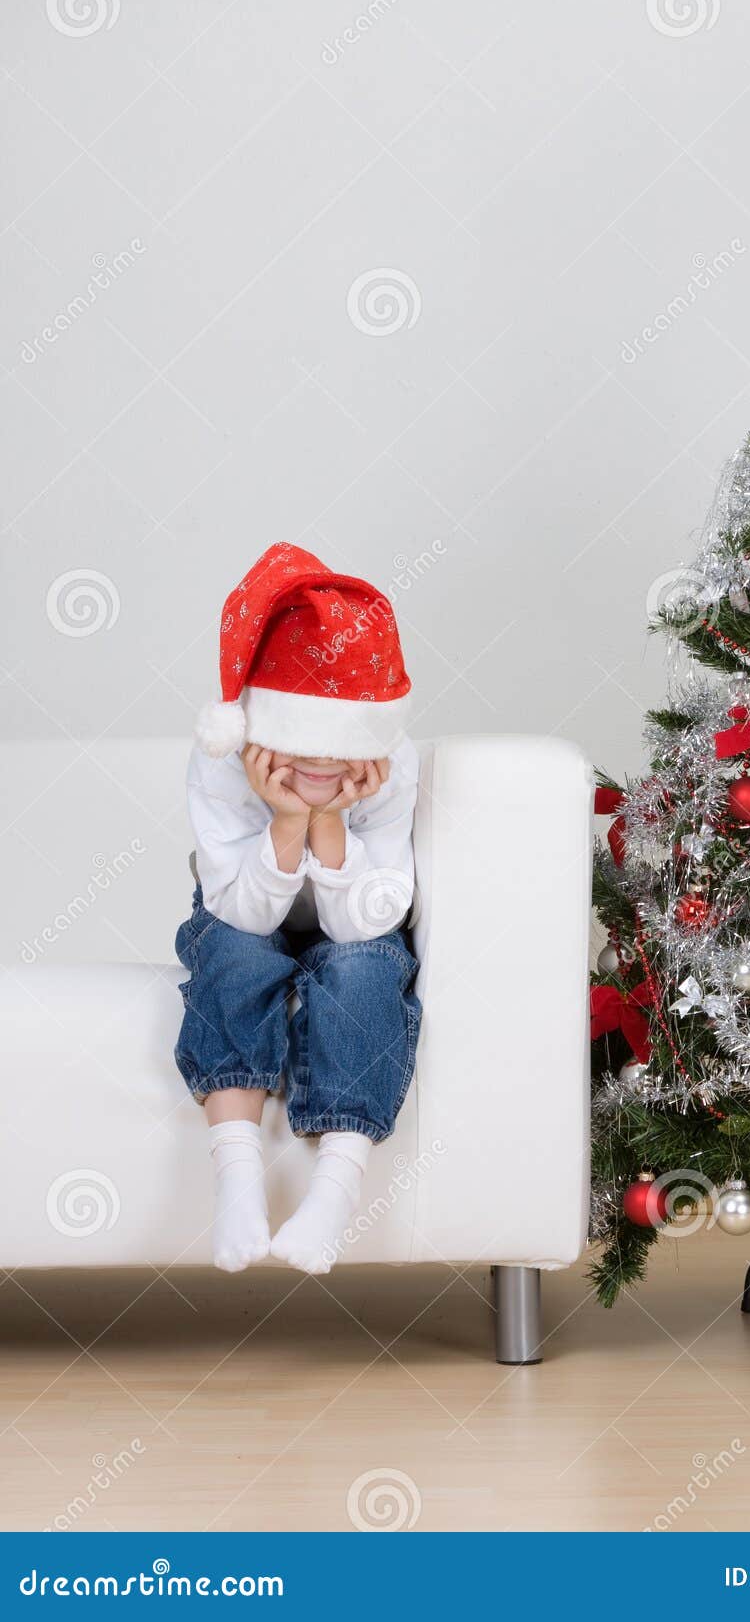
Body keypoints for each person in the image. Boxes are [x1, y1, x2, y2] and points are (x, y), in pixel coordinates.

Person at [175, 541, 420, 1274]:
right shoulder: (221, 761)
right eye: (298, 745)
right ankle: (239, 1177)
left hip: (357, 919)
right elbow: (244, 917)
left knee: (367, 970)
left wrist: (331, 824)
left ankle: (335, 1191)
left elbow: (365, 924)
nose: (319, 766)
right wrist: (285, 824)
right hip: (243, 912)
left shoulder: (389, 769)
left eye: (340, 748)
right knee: (231, 954)